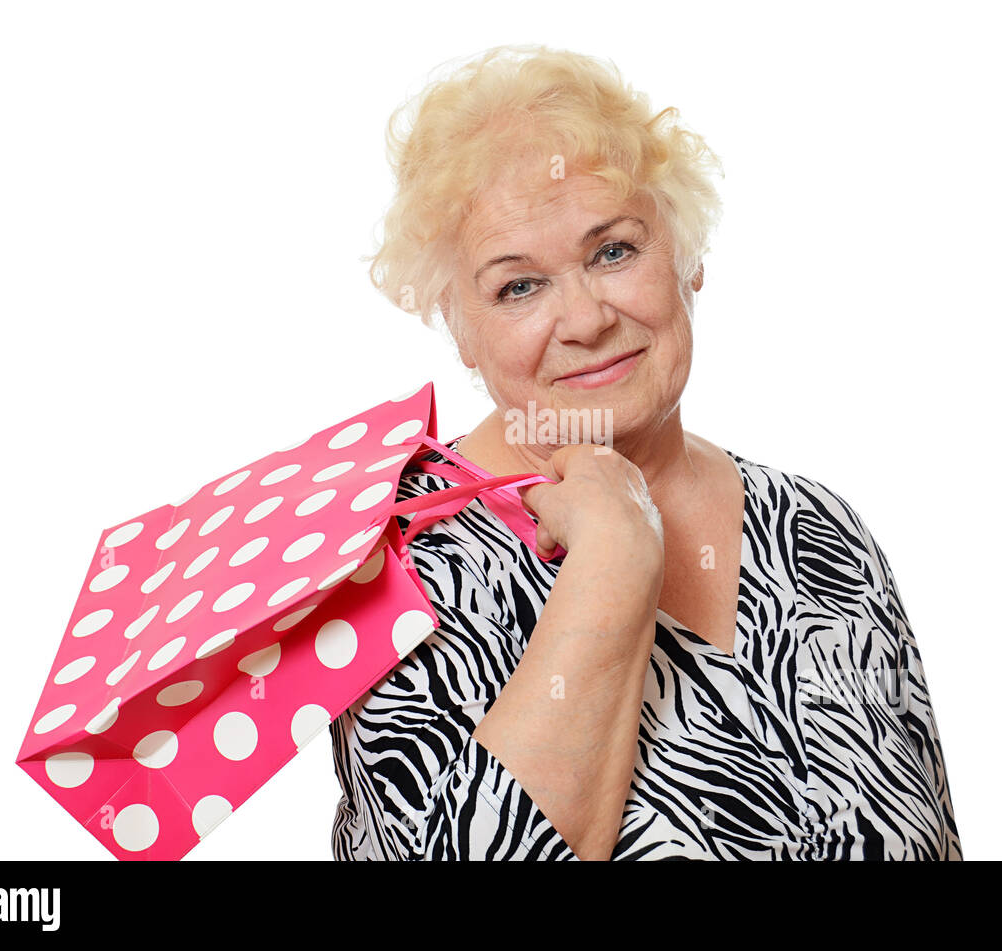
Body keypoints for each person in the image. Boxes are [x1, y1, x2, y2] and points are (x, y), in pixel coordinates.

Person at [328, 43, 962, 861]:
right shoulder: (397, 570)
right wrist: (616, 558)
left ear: (687, 257)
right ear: (459, 327)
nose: (586, 319)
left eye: (614, 251)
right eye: (518, 286)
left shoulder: (821, 528)